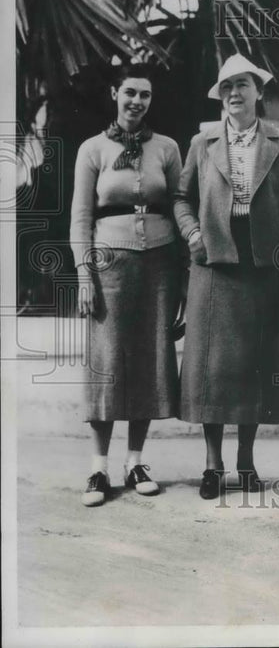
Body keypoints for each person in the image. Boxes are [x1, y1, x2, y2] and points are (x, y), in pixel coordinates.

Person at [174, 54, 279, 499]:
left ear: (258, 92)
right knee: (213, 369)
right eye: (227, 86)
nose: (234, 93)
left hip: (262, 264)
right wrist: (192, 232)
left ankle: (246, 462)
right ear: (220, 95)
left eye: (243, 85)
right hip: (212, 263)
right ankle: (213, 465)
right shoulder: (202, 142)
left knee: (255, 365)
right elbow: (180, 197)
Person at [70, 63, 183, 507]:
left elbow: (179, 207)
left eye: (145, 95)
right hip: (108, 264)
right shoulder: (92, 149)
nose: (137, 101)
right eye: (130, 93)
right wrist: (84, 273)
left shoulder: (167, 148)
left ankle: (136, 461)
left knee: (149, 358)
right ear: (115, 94)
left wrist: (184, 280)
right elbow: (80, 217)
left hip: (160, 264)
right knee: (107, 360)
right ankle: (98, 468)